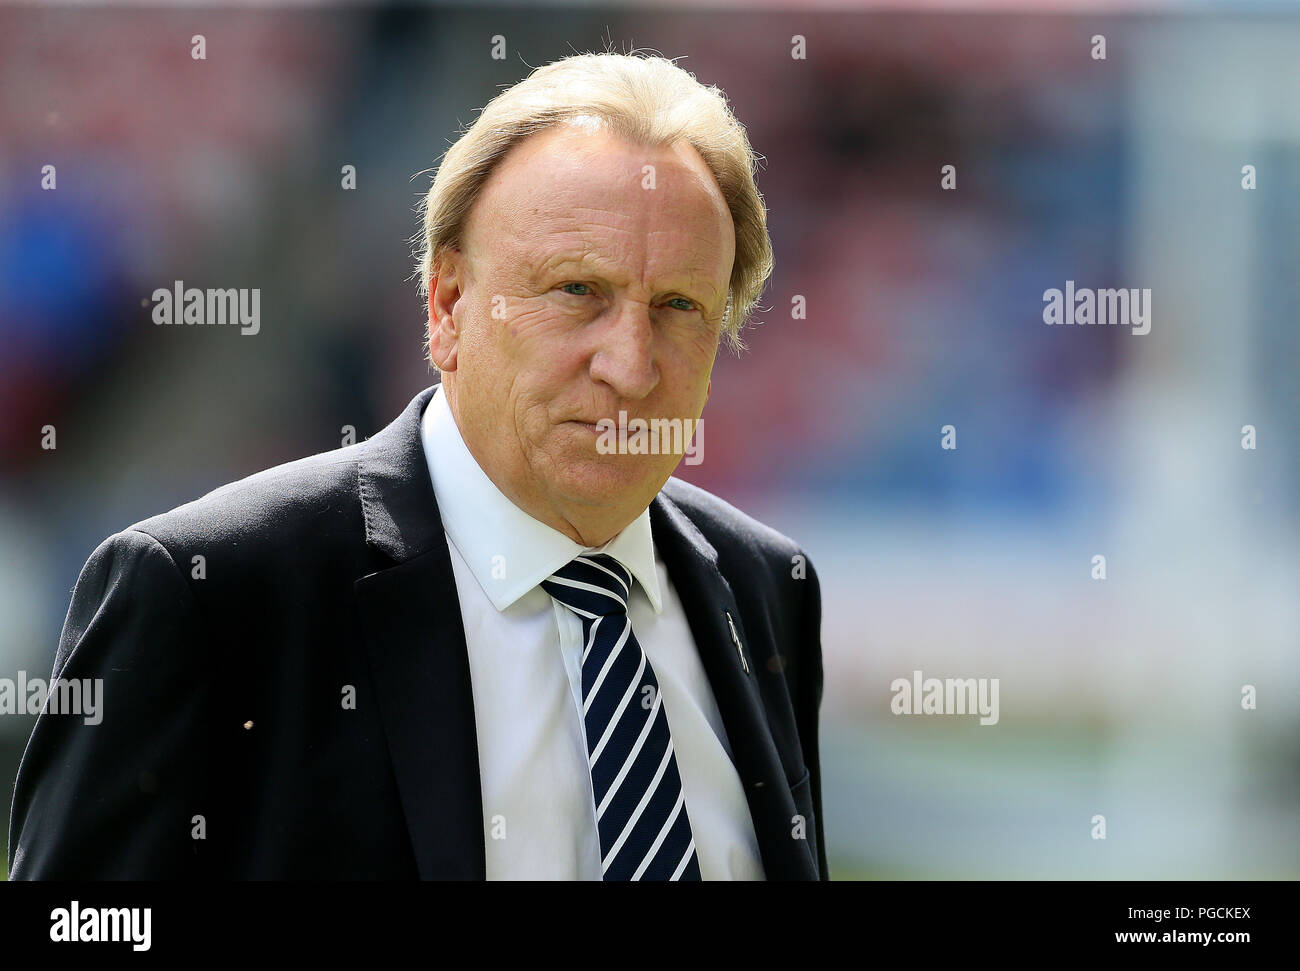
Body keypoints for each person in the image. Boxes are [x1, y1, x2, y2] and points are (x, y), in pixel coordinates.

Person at [8, 52, 827, 881]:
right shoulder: (208, 591)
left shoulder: (767, 588)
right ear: (447, 307)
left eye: (680, 306)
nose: (631, 364)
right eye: (578, 290)